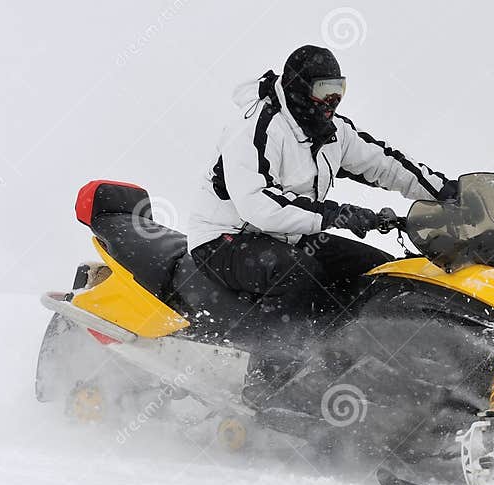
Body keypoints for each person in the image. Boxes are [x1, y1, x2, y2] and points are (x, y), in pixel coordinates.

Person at [186, 45, 458, 317]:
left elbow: (385, 163)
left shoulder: (331, 131)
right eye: (323, 90)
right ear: (298, 88)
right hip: (225, 239)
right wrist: (335, 215)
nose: (333, 99)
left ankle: (354, 351)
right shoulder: (257, 127)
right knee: (298, 275)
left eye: (339, 90)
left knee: (381, 271)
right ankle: (282, 358)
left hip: (289, 235)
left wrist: (447, 193)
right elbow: (259, 205)